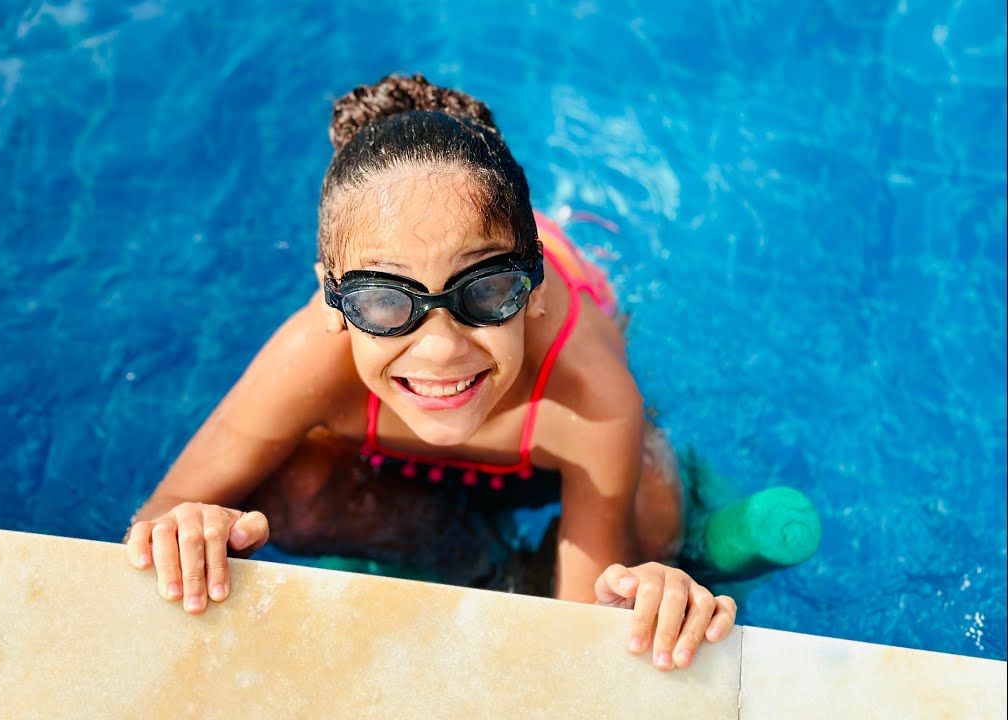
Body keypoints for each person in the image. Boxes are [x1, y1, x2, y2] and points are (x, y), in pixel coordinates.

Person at [123, 73, 736, 671]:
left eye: (488, 289)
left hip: (555, 438)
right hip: (433, 456)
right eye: (383, 299)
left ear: (536, 285)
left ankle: (693, 541)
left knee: (654, 511)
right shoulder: (312, 354)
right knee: (292, 496)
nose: (440, 348)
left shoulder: (587, 395)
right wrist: (189, 527)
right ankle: (483, 560)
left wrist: (643, 598)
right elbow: (162, 510)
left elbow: (578, 644)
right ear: (333, 301)